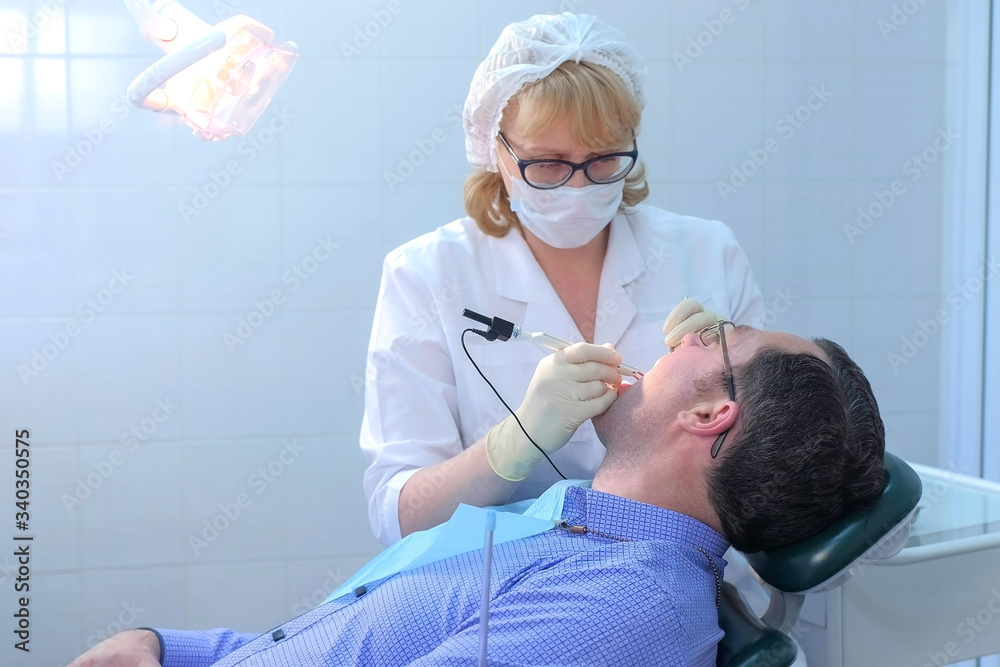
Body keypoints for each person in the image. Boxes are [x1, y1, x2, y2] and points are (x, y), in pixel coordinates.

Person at [69, 324, 886, 667]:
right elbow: (347, 641)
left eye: (714, 337)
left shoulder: (622, 607)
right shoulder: (579, 534)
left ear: (711, 412)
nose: (678, 337)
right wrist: (168, 646)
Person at [364, 12, 766, 546]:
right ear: (496, 151)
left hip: (679, 570)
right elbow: (400, 517)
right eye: (548, 163)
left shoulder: (706, 251)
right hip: (502, 588)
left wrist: (744, 372)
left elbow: (774, 464)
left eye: (602, 160)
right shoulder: (427, 274)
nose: (577, 186)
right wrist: (514, 443)